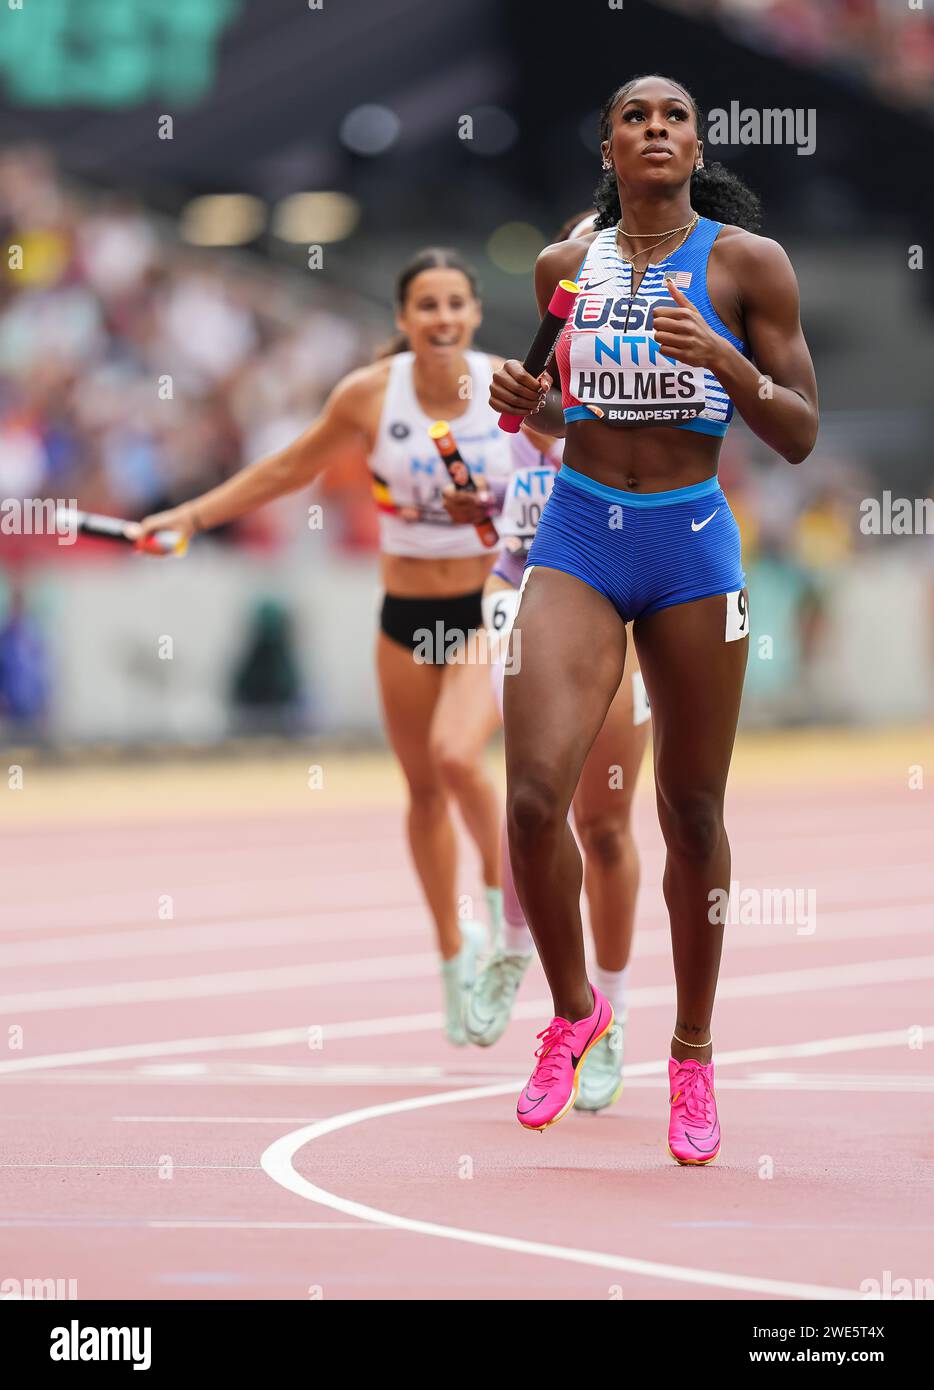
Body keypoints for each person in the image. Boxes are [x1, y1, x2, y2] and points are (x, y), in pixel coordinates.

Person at [489, 74, 818, 1159]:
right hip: (581, 534)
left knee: (690, 814)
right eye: (634, 116)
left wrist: (723, 359)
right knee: (534, 799)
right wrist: (532, 412)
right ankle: (579, 1009)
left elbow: (801, 432)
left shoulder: (743, 265)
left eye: (674, 115)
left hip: (689, 543)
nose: (655, 129)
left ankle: (690, 1053)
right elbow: (549, 413)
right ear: (608, 147)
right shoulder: (561, 268)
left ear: (696, 142)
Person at [135, 248, 516, 1044]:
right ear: (404, 320)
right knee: (421, 793)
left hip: (487, 607)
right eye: (427, 306)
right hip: (405, 613)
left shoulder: (510, 389)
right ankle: (453, 959)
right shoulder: (370, 396)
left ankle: (501, 921)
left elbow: (567, 478)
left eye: (455, 304)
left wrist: (493, 506)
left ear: (475, 314)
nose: (442, 319)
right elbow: (287, 468)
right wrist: (193, 517)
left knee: (456, 757)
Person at [441, 210, 651, 1114]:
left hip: (616, 608)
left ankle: (614, 1012)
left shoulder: (644, 383)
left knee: (604, 827)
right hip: (515, 600)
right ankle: (516, 948)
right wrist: (472, 511)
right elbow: (490, 505)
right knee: (525, 790)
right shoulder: (505, 381)